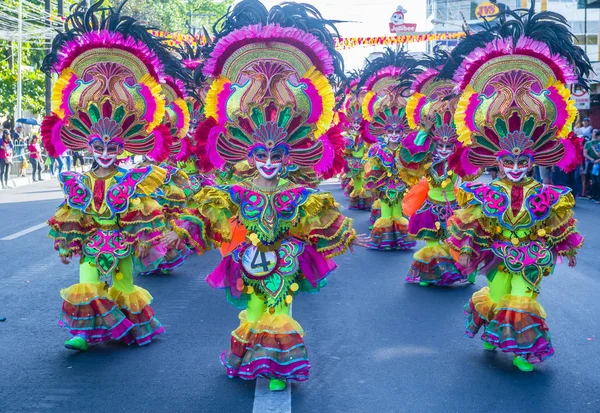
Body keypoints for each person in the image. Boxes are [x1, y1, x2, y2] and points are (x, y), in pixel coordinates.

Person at [162, 0, 368, 392]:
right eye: (261, 154)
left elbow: (320, 219)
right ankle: (253, 360)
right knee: (254, 311)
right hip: (250, 257)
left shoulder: (297, 191)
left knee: (280, 311)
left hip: (287, 260)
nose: (269, 162)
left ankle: (277, 368)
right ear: (247, 153)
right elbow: (210, 213)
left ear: (291, 154)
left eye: (277, 155)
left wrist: (346, 235)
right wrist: (182, 234)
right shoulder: (239, 189)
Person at [445, 6, 589, 372]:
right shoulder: (486, 194)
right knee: (497, 296)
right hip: (499, 253)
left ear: (534, 159)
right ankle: (493, 327)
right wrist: (466, 250)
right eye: (507, 163)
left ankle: (524, 350)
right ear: (495, 160)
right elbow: (473, 225)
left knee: (523, 299)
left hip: (531, 254)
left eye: (522, 162)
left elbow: (559, 225)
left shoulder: (548, 195)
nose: (514, 168)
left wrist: (561, 245)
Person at [41, 3, 179, 351]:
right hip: (92, 240)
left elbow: (142, 218)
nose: (104, 151)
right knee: (86, 281)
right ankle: (84, 333)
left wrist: (142, 238)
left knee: (123, 284)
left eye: (112, 145)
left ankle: (128, 327)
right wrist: (71, 239)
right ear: (86, 144)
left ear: (123, 146)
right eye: (98, 145)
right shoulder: (78, 182)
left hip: (119, 241)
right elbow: (73, 217)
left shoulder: (133, 180)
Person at [401, 55, 478, 287]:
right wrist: (424, 129)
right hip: (429, 208)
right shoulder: (427, 157)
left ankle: (454, 272)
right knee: (431, 246)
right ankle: (432, 275)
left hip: (453, 207)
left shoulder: (456, 160)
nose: (444, 150)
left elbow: (471, 157)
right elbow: (412, 151)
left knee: (451, 245)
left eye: (448, 146)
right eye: (440, 145)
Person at [361, 48, 419, 251]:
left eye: (398, 130)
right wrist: (377, 180)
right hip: (385, 187)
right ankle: (386, 240)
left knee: (399, 214)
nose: (394, 134)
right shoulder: (377, 149)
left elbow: (414, 164)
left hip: (401, 186)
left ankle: (401, 240)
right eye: (391, 130)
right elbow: (371, 168)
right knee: (387, 215)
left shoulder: (406, 147)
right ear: (384, 130)